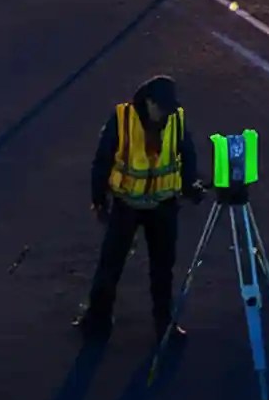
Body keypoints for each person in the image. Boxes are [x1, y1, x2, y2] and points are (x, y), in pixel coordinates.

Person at [76, 75, 205, 340]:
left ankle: (164, 322)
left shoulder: (175, 119)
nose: (165, 114)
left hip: (163, 204)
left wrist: (190, 185)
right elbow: (102, 160)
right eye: (162, 108)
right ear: (148, 102)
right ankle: (97, 318)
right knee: (111, 263)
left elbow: (187, 153)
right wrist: (98, 198)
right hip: (127, 203)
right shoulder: (123, 119)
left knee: (163, 267)